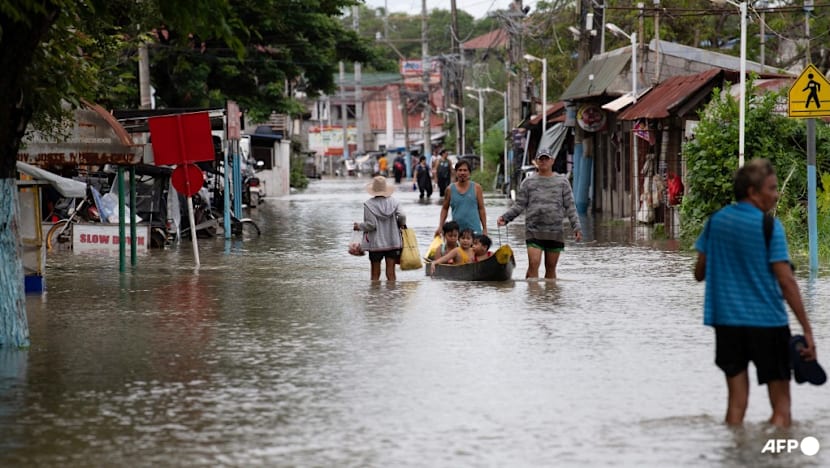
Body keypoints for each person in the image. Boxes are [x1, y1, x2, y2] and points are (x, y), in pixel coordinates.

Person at [694, 158, 817, 428]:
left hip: (726, 324)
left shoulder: (715, 222)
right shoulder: (770, 227)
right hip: (767, 323)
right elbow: (786, 282)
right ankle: (772, 456)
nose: (776, 194)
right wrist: (807, 329)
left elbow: (699, 273)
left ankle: (738, 453)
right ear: (753, 191)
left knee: (736, 404)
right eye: (772, 188)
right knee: (781, 407)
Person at [497, 148, 582, 279]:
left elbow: (570, 206)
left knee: (551, 267)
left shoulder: (562, 182)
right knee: (534, 263)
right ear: (536, 162)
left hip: (555, 231)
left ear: (552, 161)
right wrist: (505, 218)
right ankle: (533, 296)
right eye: (540, 159)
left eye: (546, 159)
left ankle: (549, 295)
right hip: (534, 230)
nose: (543, 162)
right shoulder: (528, 182)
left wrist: (576, 227)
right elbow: (520, 205)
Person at [354, 176, 405, 281]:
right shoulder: (394, 202)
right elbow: (403, 216)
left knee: (375, 276)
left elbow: (371, 225)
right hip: (392, 242)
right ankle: (391, 295)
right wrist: (401, 224)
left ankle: (375, 296)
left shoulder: (369, 205)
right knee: (391, 275)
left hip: (376, 244)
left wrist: (359, 226)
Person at [434, 159, 487, 237]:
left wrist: (485, 228)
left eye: (465, 170)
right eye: (460, 170)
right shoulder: (450, 189)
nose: (462, 173)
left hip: (475, 231)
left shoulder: (477, 188)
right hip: (457, 233)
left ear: (469, 173)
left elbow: (481, 208)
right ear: (456, 172)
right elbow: (445, 208)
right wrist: (440, 226)